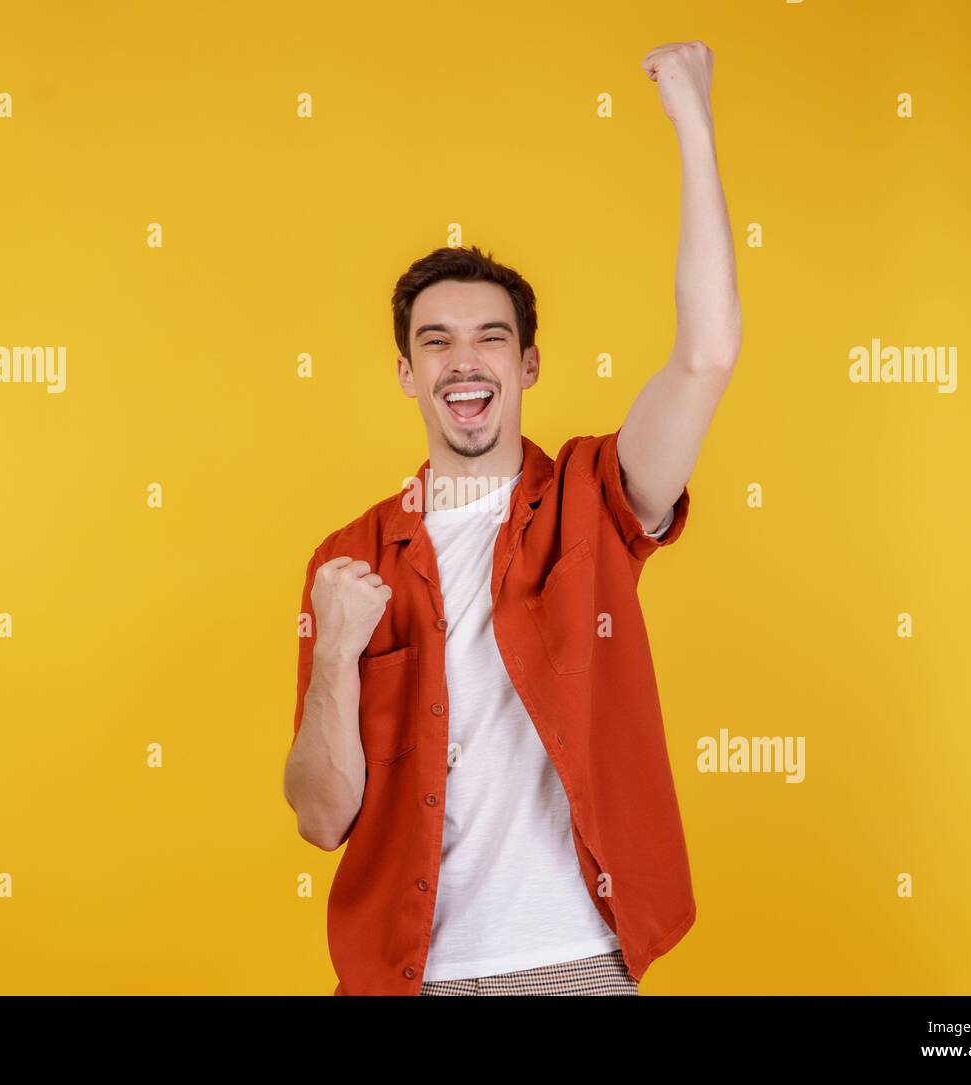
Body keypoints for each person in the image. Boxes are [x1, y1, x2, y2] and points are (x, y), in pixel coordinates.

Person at [283, 40, 740, 996]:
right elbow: (322, 817)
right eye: (435, 341)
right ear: (406, 373)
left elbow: (705, 355)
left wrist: (691, 121)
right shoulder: (349, 560)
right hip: (407, 976)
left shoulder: (592, 500)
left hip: (573, 966)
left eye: (492, 338)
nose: (465, 361)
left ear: (527, 365)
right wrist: (334, 651)